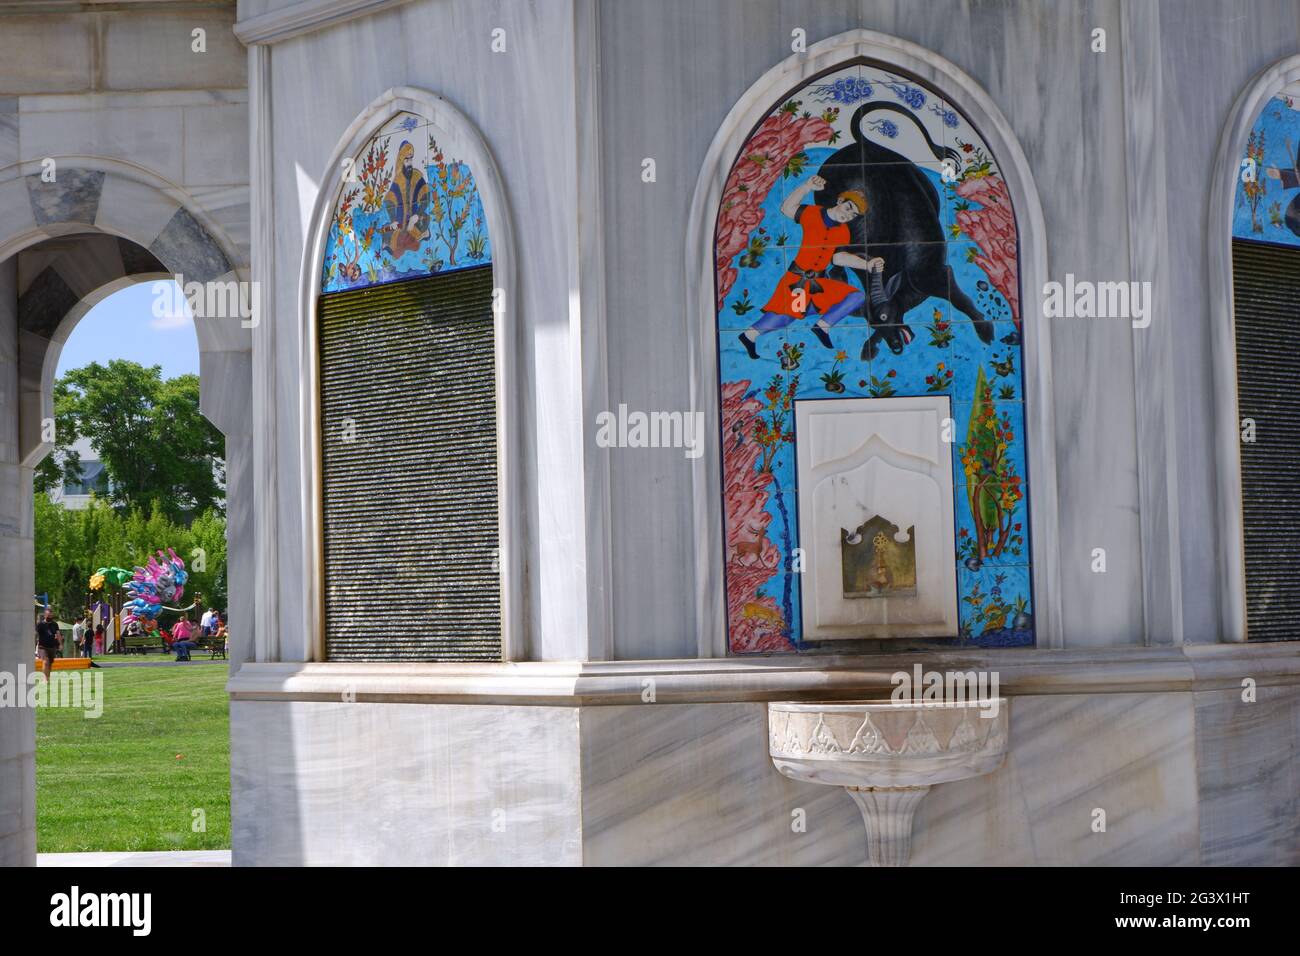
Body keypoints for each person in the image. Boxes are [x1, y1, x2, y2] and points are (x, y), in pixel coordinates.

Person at [737, 173, 877, 360]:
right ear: (840, 200)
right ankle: (749, 335)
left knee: (856, 296)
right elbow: (787, 208)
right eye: (848, 207)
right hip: (798, 280)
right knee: (787, 316)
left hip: (819, 283)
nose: (848, 214)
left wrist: (866, 264)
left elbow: (839, 258)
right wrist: (807, 186)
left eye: (853, 214)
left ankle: (822, 327)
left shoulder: (843, 231)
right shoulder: (813, 213)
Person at [35, 608, 60, 681]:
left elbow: (58, 634)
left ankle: (47, 677)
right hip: (42, 646)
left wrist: (60, 644)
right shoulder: (40, 624)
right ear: (45, 615)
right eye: (48, 615)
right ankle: (45, 679)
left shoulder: (55, 624)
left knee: (50, 663)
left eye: (51, 615)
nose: (50, 617)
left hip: (52, 646)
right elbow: (36, 634)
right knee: (46, 662)